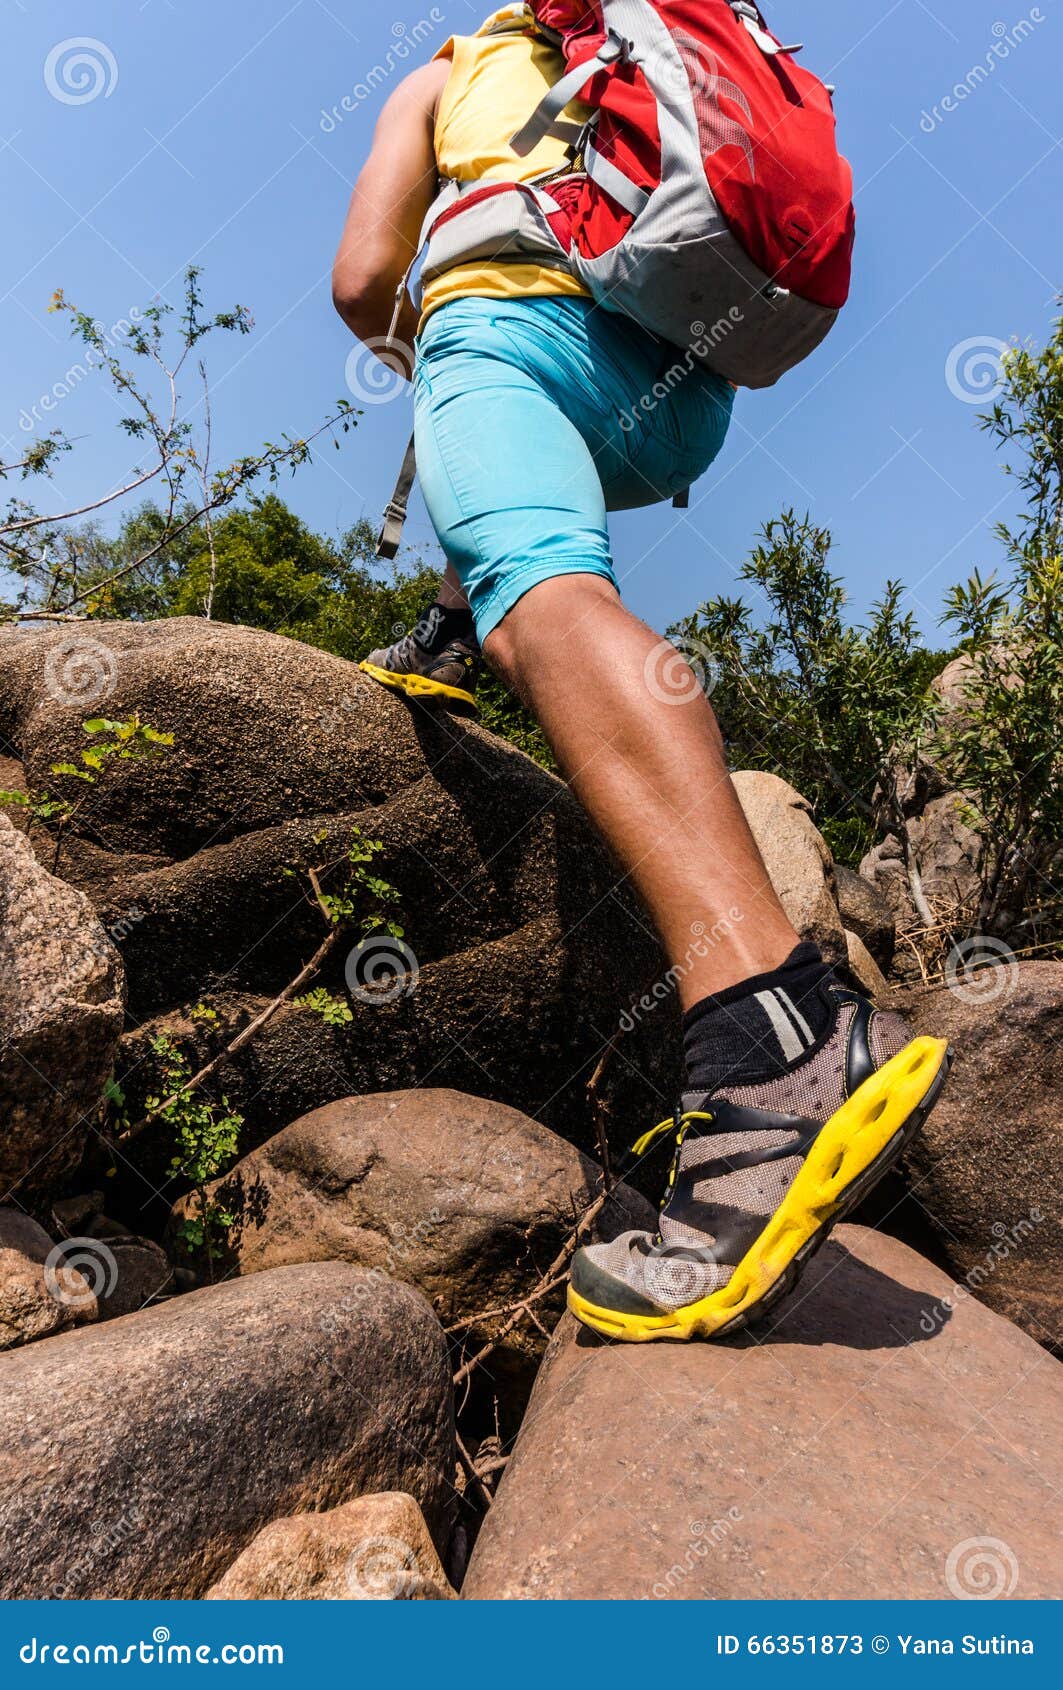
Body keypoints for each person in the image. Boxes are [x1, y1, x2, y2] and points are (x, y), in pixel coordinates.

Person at [332, 6, 950, 1343]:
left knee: (544, 592)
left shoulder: (451, 68)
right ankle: (451, 621)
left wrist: (440, 355)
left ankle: (769, 1029)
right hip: (684, 386)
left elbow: (360, 271)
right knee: (513, 562)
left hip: (518, 314)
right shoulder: (629, 35)